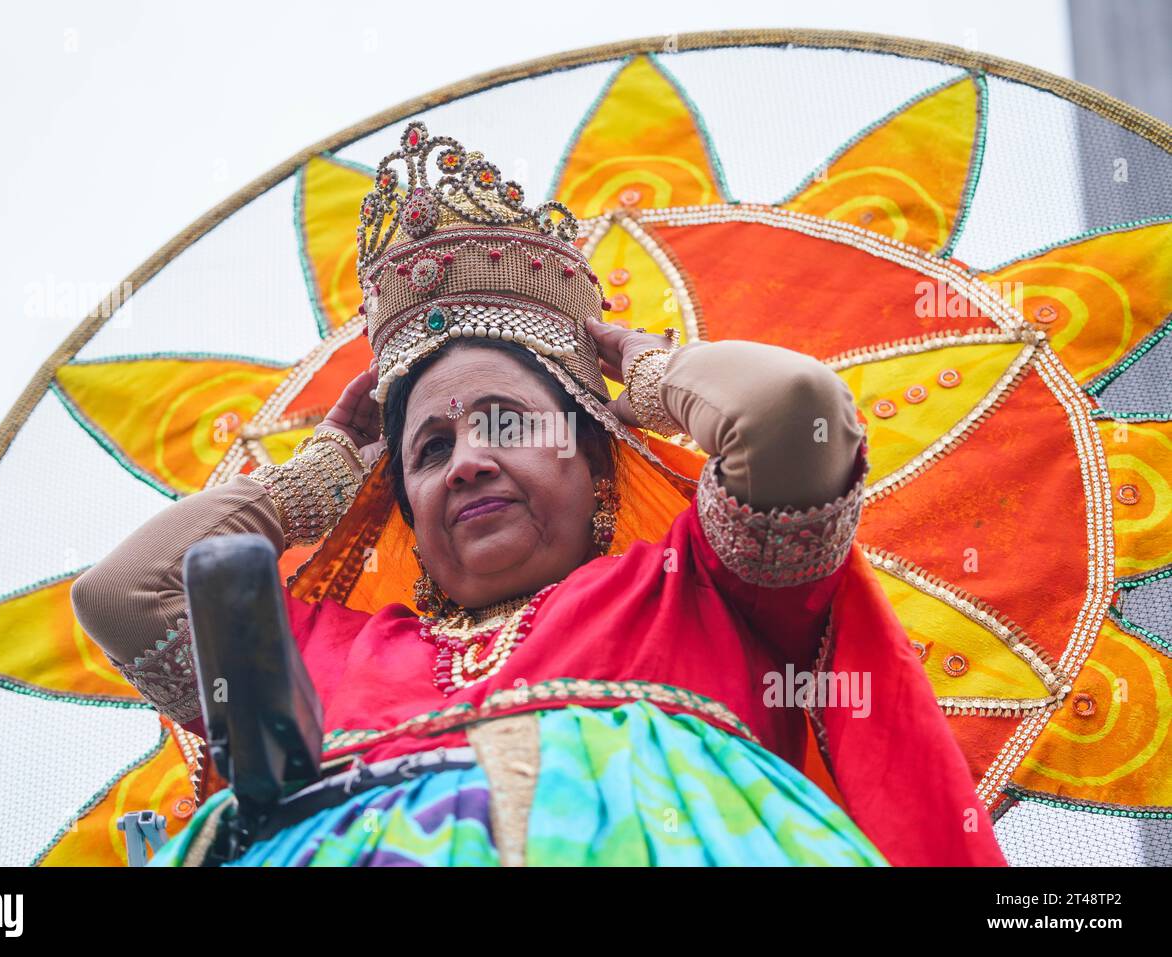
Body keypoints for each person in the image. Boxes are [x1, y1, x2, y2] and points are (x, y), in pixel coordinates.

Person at [70, 122, 1006, 867]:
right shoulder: (321, 655)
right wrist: (311, 482)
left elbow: (792, 413)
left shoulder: (703, 586)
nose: (469, 459)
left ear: (594, 460)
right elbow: (121, 596)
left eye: (509, 422)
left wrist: (648, 375)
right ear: (404, 510)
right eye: (429, 450)